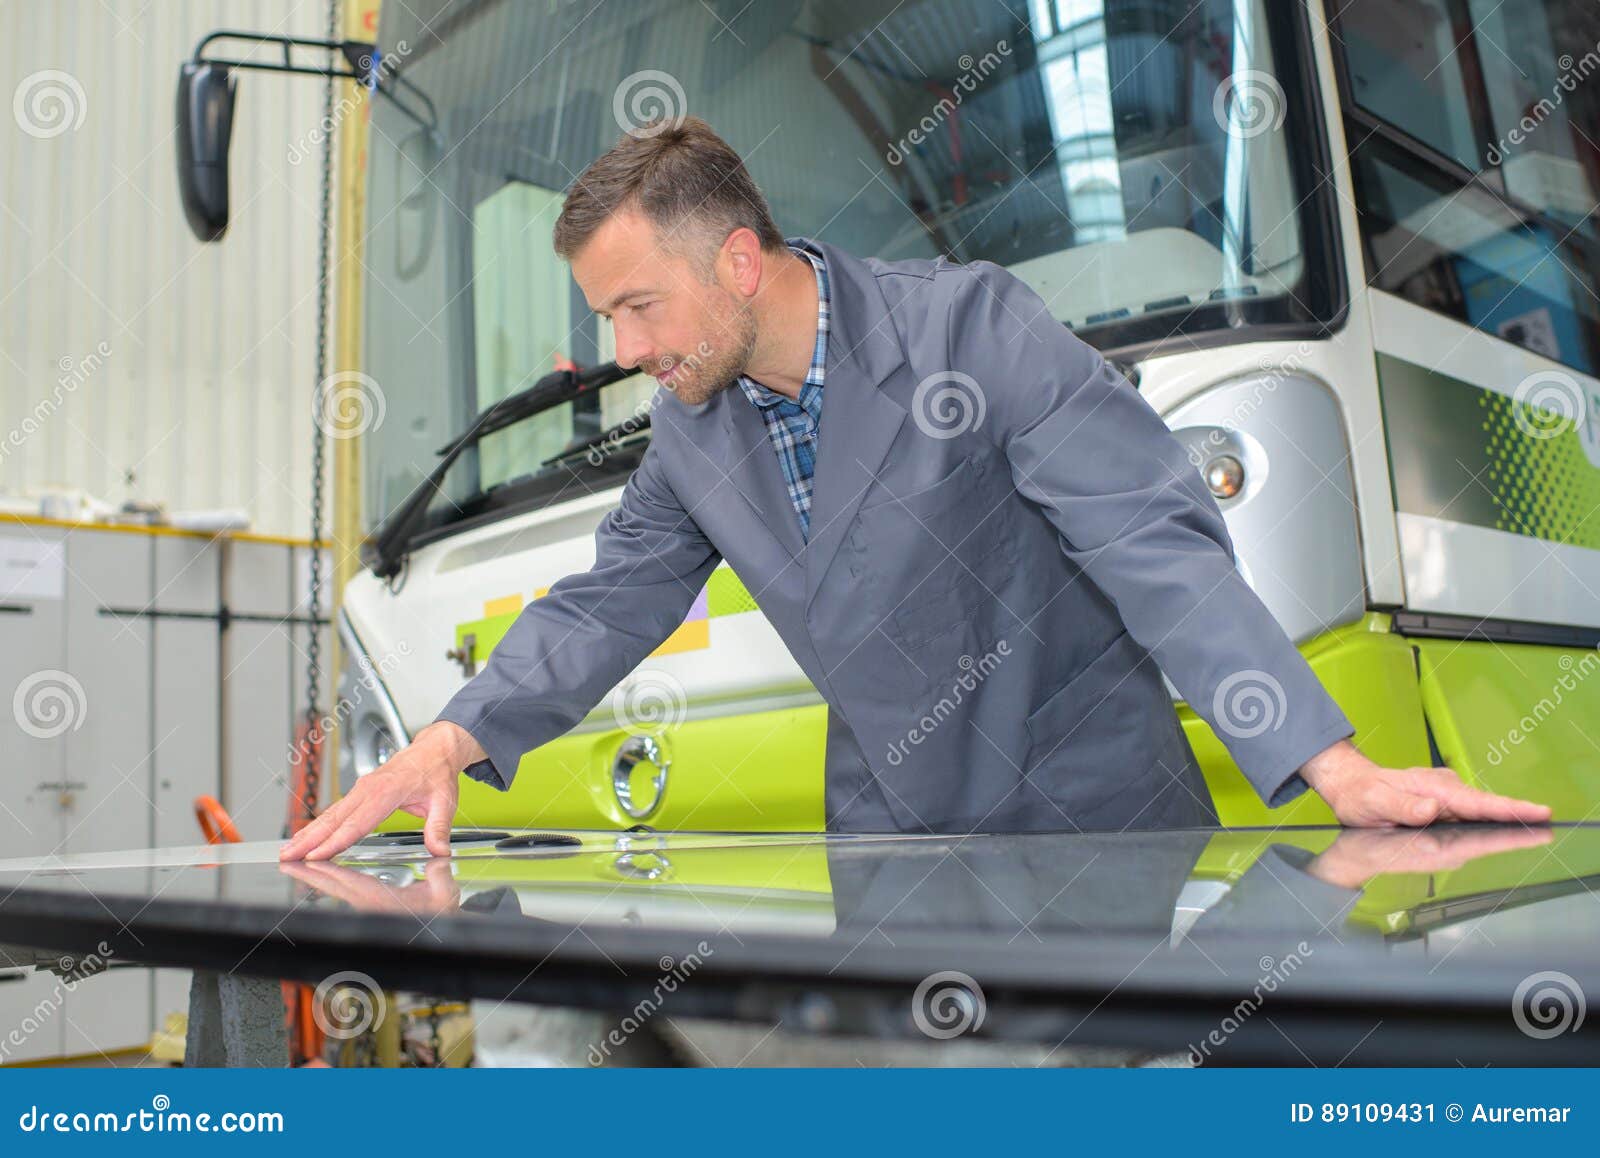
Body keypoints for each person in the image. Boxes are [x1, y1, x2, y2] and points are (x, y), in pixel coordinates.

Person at [281, 117, 1549, 862]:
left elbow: (1154, 547)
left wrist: (1330, 767)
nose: (621, 352)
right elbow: (607, 602)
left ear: (733, 260)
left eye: (634, 307)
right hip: (891, 851)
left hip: (1089, 832)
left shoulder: (971, 334)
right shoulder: (691, 427)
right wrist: (451, 739)